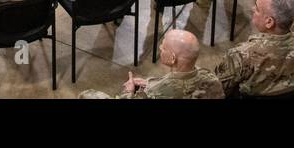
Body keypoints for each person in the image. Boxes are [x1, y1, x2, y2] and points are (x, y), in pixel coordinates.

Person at [212, 0, 294, 97]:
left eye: (257, 9)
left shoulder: (241, 56)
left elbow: (217, 90)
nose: (252, 9)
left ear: (269, 22)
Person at [80, 29, 222, 99]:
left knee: (88, 95)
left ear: (172, 58)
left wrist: (128, 90)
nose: (160, 47)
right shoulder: (211, 79)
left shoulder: (155, 93)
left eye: (163, 46)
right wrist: (151, 82)